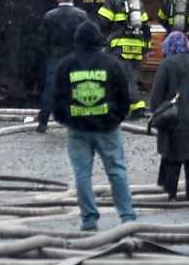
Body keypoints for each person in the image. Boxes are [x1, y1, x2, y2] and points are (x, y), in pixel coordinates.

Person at [51, 21, 138, 232]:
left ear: (77, 41)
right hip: (107, 128)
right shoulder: (112, 64)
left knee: (82, 175)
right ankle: (127, 216)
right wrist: (116, 117)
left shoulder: (66, 65)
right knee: (117, 171)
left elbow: (56, 97)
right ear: (99, 40)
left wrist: (67, 119)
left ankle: (89, 219)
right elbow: (124, 95)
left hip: (78, 129)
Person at [148, 30, 189, 200]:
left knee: (172, 156)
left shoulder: (167, 65)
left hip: (174, 117)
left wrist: (157, 112)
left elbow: (156, 97)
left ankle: (170, 195)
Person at [38, 0, 92, 134]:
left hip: (55, 57)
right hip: (76, 56)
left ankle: (43, 122)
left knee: (50, 89)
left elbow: (42, 39)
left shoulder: (49, 16)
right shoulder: (82, 15)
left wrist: (48, 53)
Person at [97, 0, 151, 114]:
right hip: (137, 45)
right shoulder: (136, 2)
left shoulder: (112, 0)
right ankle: (124, 106)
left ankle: (137, 106)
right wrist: (146, 46)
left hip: (120, 46)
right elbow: (145, 25)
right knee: (130, 76)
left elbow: (102, 22)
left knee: (124, 78)